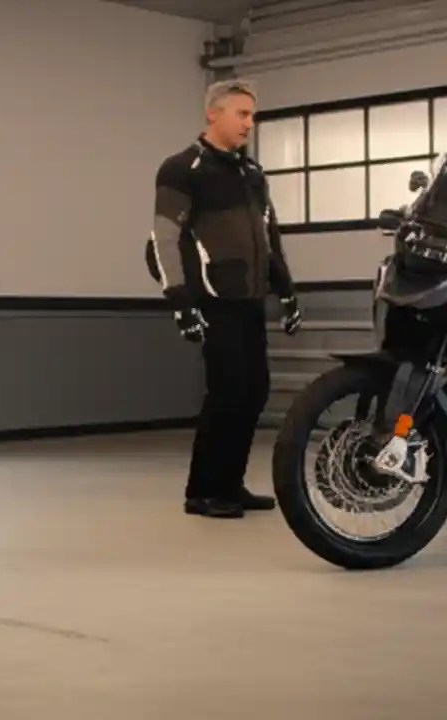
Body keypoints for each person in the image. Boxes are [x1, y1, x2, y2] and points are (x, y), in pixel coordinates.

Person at [149, 78, 302, 519]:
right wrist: (181, 302)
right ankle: (202, 491)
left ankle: (230, 485)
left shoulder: (250, 173)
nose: (249, 124)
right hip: (214, 299)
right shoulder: (182, 169)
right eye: (241, 114)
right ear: (213, 114)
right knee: (227, 392)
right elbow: (165, 238)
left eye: (252, 115)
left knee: (254, 391)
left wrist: (287, 290)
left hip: (249, 299)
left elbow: (270, 236)